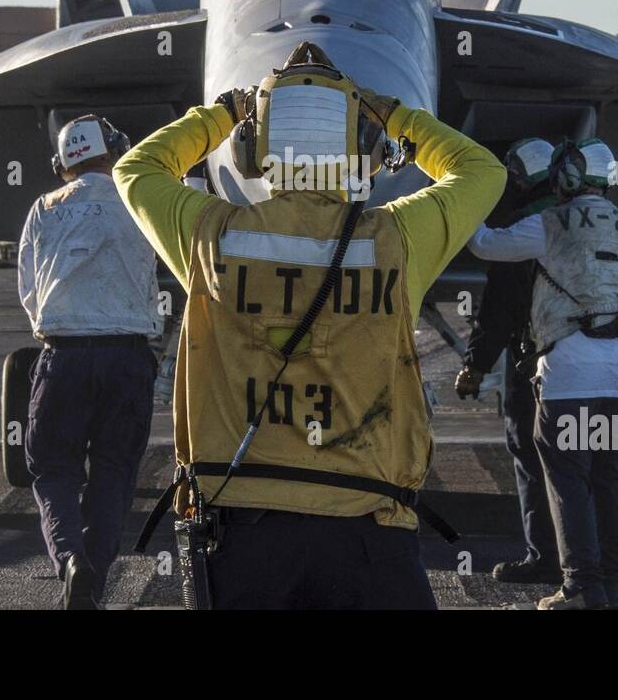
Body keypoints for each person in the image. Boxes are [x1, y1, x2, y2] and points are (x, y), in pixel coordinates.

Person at [114, 42, 505, 609]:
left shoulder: (211, 235)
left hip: (241, 536)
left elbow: (137, 167)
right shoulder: (396, 240)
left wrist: (225, 111)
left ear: (251, 150)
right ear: (365, 149)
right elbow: (481, 170)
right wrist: (392, 113)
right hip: (368, 533)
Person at [468, 138, 618, 610]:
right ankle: (609, 591)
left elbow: (484, 245)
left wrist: (465, 194)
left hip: (567, 378)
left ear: (567, 178)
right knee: (612, 485)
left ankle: (579, 588)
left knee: (569, 486)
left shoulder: (547, 223)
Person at [18, 114, 163, 609]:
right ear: (115, 150)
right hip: (127, 356)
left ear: (64, 163)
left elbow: (29, 291)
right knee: (114, 472)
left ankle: (70, 561)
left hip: (65, 356)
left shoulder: (43, 208)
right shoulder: (138, 198)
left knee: (53, 471)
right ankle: (91, 584)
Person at [455, 137, 561, 584]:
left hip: (533, 363)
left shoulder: (524, 229)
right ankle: (590, 561)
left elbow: (499, 309)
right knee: (586, 462)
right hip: (597, 363)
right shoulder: (598, 222)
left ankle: (546, 557)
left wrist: (476, 366)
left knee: (531, 453)